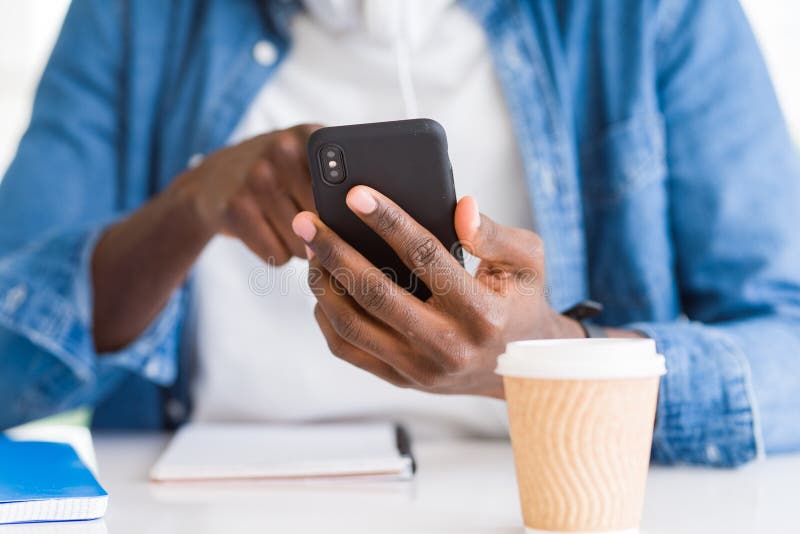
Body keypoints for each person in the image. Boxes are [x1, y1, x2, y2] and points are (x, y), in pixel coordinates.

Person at [1, 0, 798, 467]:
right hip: (213, 502)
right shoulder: (134, 19)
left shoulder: (649, 17)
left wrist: (556, 357)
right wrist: (189, 208)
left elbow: (786, 341)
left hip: (532, 499)